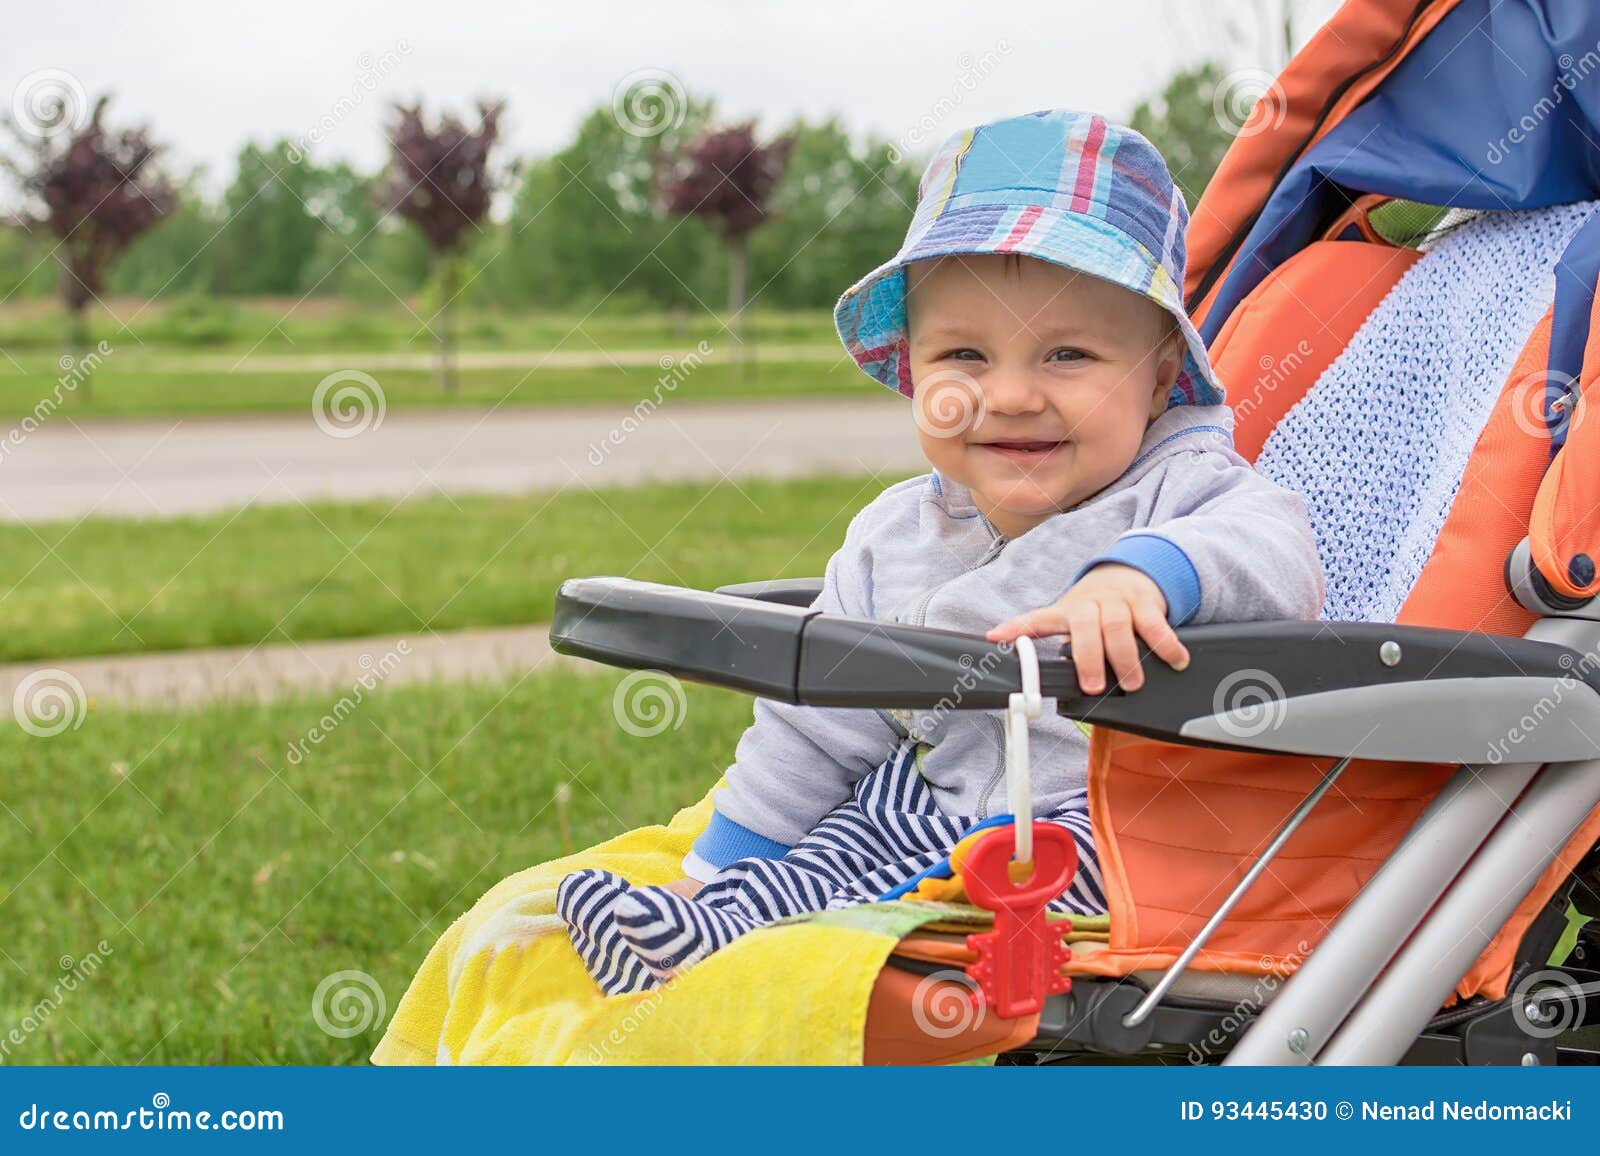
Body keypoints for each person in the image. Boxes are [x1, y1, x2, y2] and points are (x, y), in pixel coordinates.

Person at [559, 109, 1325, 995]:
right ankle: (714, 920)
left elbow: (1280, 556)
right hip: (938, 799)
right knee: (854, 825)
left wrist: (1144, 574)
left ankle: (800, 950)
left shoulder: (1184, 490)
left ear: (1158, 376)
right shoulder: (897, 535)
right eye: (964, 354)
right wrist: (714, 862)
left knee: (946, 881)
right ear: (917, 373)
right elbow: (816, 728)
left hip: (1123, 823)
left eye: (1068, 354)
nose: (1009, 395)